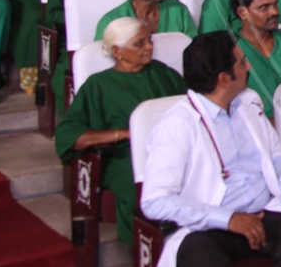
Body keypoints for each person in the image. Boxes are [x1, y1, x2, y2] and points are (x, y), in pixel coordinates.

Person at [138, 33, 281, 267]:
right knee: (198, 256)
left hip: (264, 212)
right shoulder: (177, 125)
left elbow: (279, 156)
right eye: (242, 62)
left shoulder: (248, 102)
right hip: (210, 225)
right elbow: (155, 201)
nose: (248, 66)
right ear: (224, 78)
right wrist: (228, 218)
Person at [55, 16, 186, 243]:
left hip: (174, 148)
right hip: (126, 156)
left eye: (150, 40)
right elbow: (70, 135)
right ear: (117, 51)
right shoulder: (98, 85)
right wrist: (124, 134)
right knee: (150, 189)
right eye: (140, 43)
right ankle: (149, 251)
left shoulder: (163, 73)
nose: (149, 47)